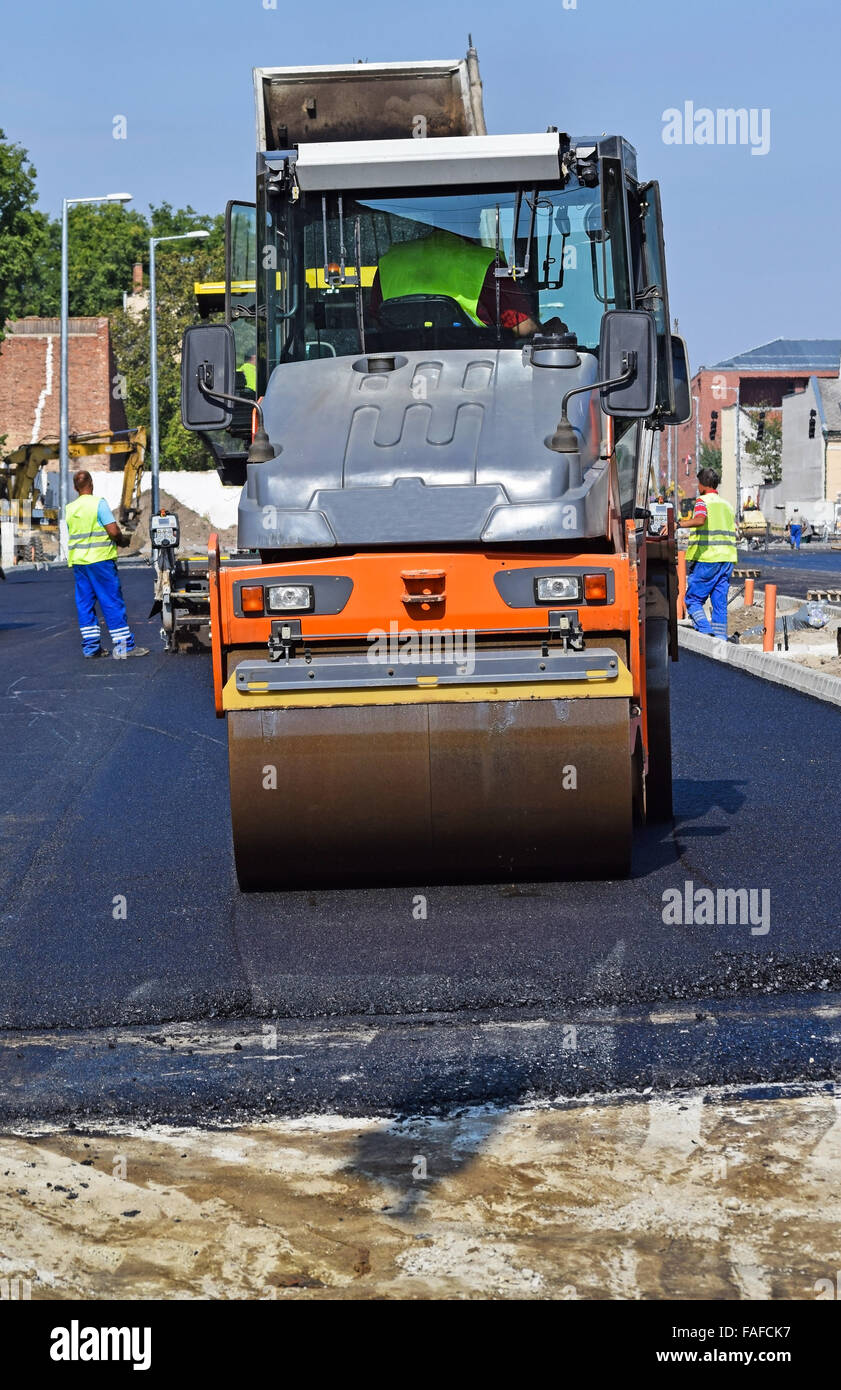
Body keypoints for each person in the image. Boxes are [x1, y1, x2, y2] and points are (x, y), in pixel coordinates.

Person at [369, 227, 567, 338]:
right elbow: (522, 328)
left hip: (401, 373)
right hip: (476, 373)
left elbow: (376, 323)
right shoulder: (484, 264)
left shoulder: (390, 262)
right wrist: (549, 333)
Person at [65, 470, 149, 659]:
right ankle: (123, 647)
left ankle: (91, 648)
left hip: (79, 562)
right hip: (100, 560)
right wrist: (122, 540)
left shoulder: (70, 508)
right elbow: (112, 530)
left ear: (74, 488)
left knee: (85, 604)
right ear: (91, 484)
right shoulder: (98, 504)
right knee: (111, 601)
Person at [680, 467, 738, 640]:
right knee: (719, 603)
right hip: (727, 560)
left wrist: (679, 524)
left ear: (702, 485)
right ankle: (720, 638)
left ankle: (706, 631)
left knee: (692, 600)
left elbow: (700, 520)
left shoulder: (702, 501)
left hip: (707, 559)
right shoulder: (726, 505)